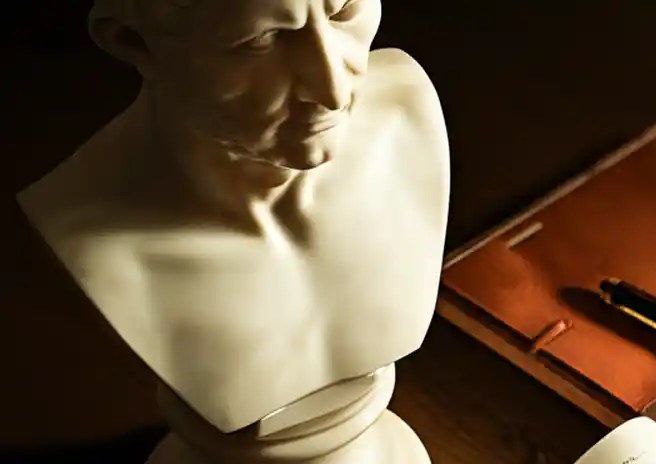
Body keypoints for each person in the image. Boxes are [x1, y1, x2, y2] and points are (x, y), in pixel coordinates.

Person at [18, 0, 450, 434]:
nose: (332, 89)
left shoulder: (405, 115)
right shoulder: (90, 230)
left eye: (345, 12)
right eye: (262, 39)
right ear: (134, 44)